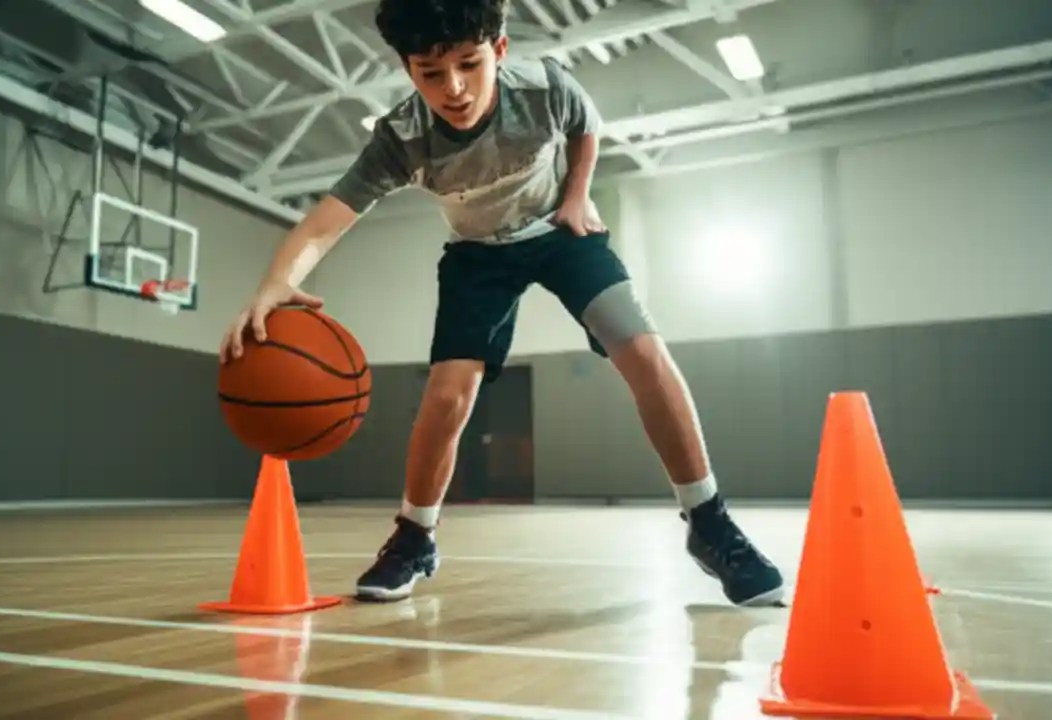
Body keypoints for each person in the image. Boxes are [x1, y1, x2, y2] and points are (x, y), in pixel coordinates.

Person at [220, 0, 785, 607]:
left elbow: (585, 125)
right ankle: (414, 538)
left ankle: (709, 523)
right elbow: (324, 224)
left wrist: (576, 195)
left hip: (559, 236)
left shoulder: (542, 88)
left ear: (500, 50)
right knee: (448, 393)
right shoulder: (402, 139)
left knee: (644, 352)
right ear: (407, 69)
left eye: (469, 63)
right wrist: (274, 284)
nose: (454, 88)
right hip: (478, 255)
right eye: (430, 73)